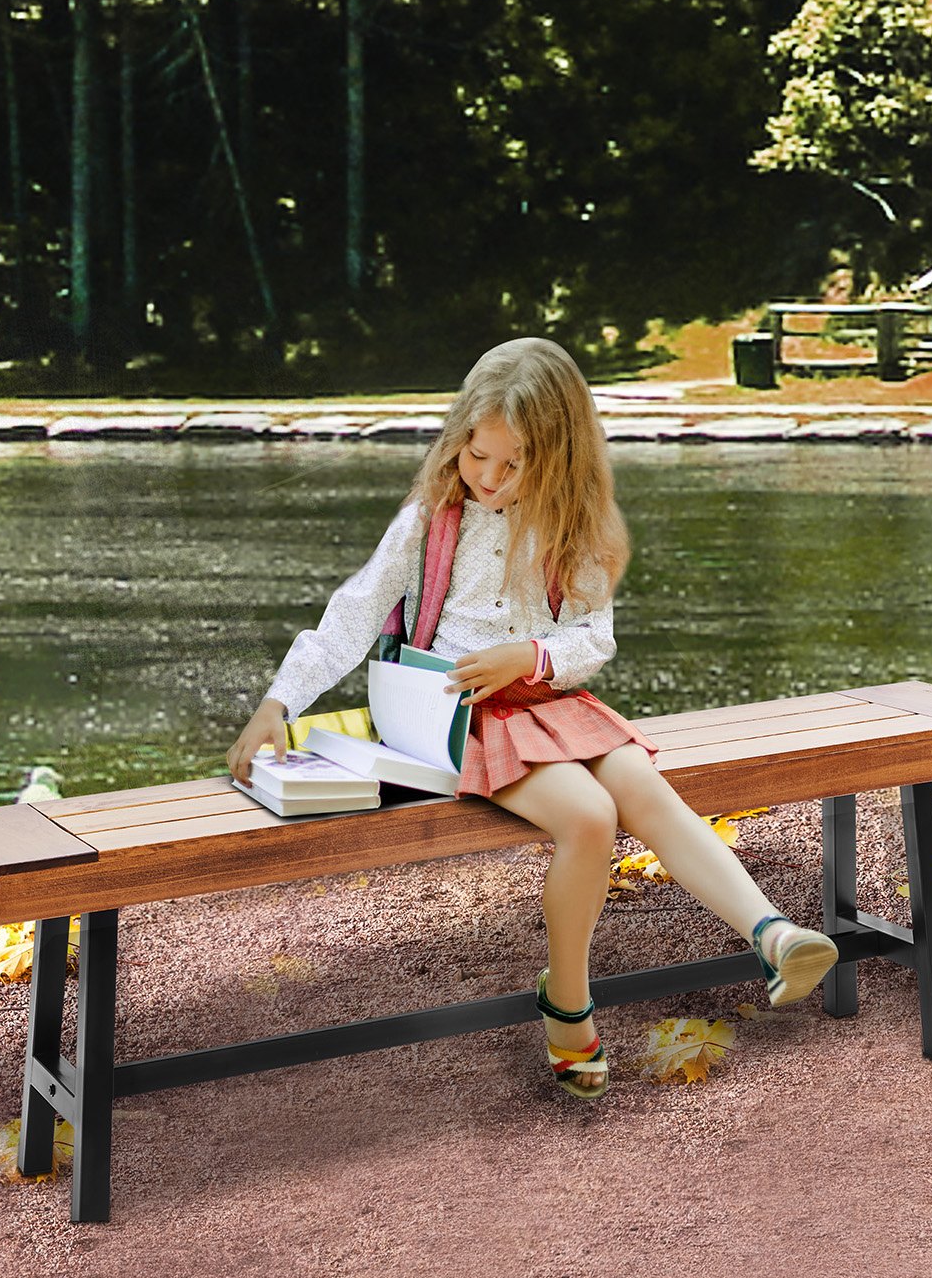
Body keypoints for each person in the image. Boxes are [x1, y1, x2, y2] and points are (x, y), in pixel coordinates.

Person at [227, 337, 839, 1099]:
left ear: (557, 455)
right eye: (475, 456)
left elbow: (592, 639)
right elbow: (353, 614)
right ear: (458, 443)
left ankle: (774, 935)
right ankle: (568, 1004)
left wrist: (531, 657)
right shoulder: (430, 519)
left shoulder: (573, 526)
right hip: (452, 714)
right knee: (587, 817)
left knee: (641, 785)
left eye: (511, 464)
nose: (486, 478)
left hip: (546, 699)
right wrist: (277, 703)